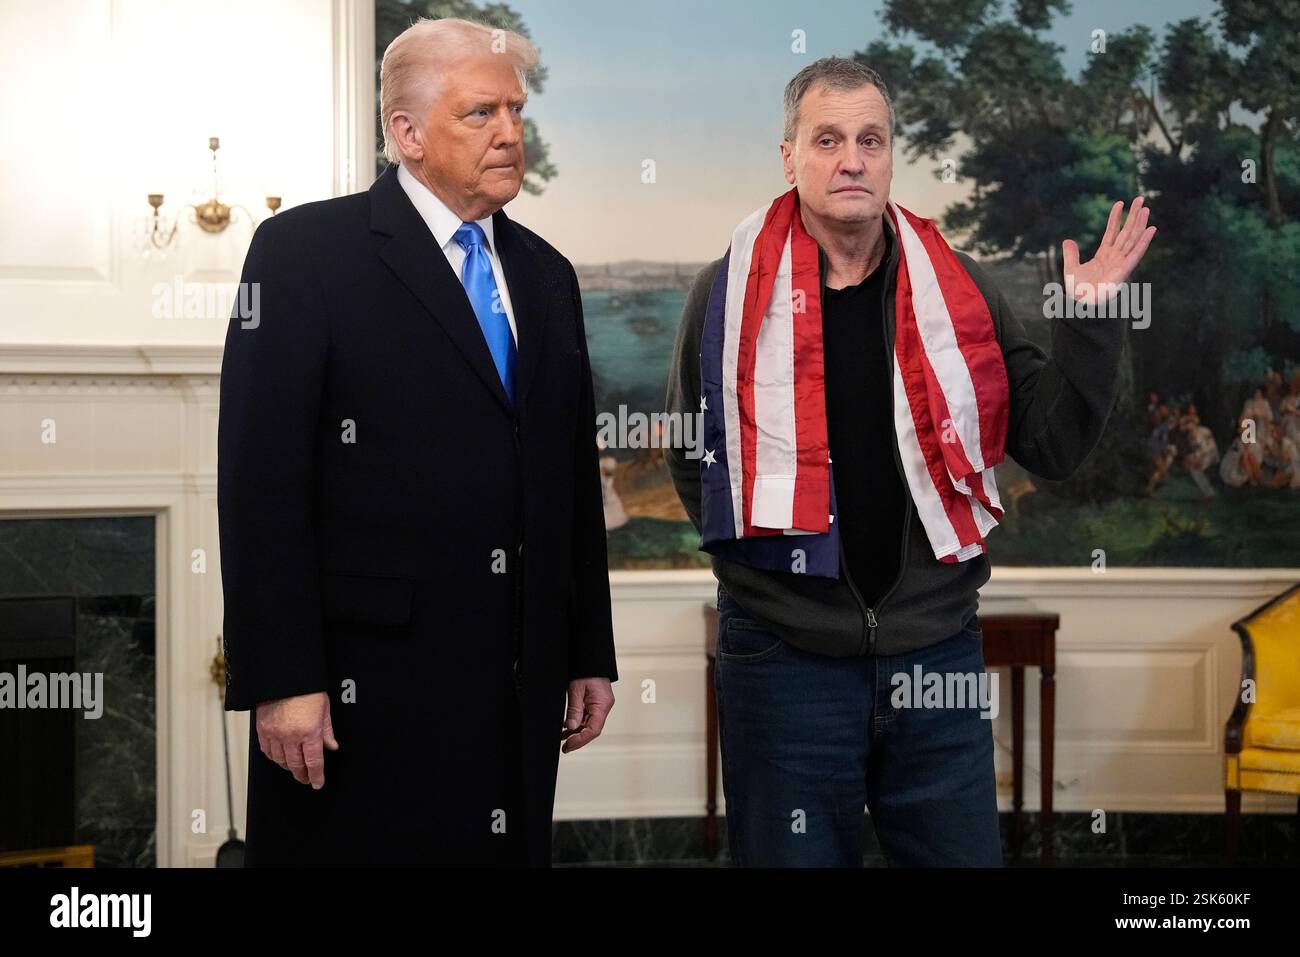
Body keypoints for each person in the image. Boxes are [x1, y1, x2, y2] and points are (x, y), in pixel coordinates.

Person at [664, 57, 1155, 867]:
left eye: (870, 139)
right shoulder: (727, 291)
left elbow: (1054, 441)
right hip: (784, 664)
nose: (850, 158)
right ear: (789, 156)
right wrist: (769, 585)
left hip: (937, 659)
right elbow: (694, 457)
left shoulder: (960, 286)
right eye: (826, 140)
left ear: (892, 156)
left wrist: (1092, 318)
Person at [218, 17, 616, 867]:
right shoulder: (302, 255)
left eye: (515, 110)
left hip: (517, 689)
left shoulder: (548, 275)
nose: (510, 131)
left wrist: (588, 650)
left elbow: (569, 480)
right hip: (362, 697)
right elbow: (260, 484)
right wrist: (283, 675)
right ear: (405, 133)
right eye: (481, 114)